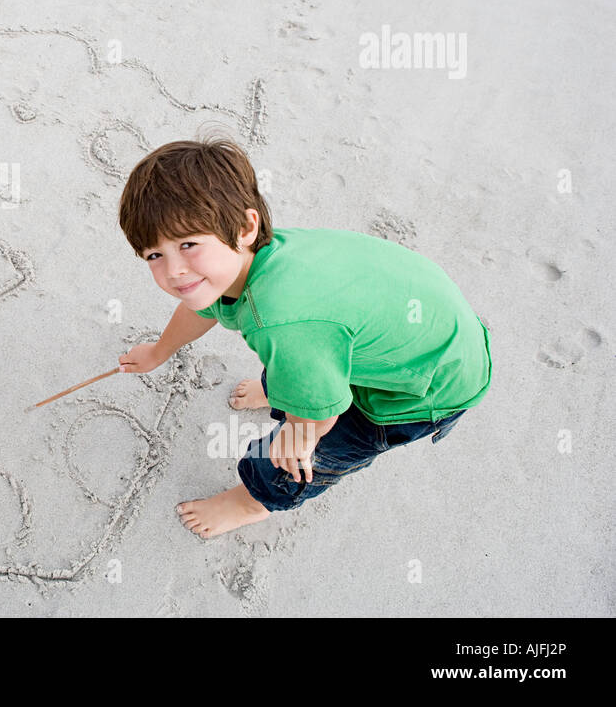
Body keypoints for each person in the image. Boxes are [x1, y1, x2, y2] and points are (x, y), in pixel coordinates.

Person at [116, 137, 492, 537]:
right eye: (155, 255)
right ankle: (284, 393)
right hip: (406, 335)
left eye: (188, 245)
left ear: (245, 227)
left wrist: (299, 436)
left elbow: (319, 411)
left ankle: (250, 503)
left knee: (293, 455)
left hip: (421, 390)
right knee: (303, 368)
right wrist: (160, 351)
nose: (173, 271)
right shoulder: (247, 258)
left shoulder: (282, 323)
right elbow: (203, 307)